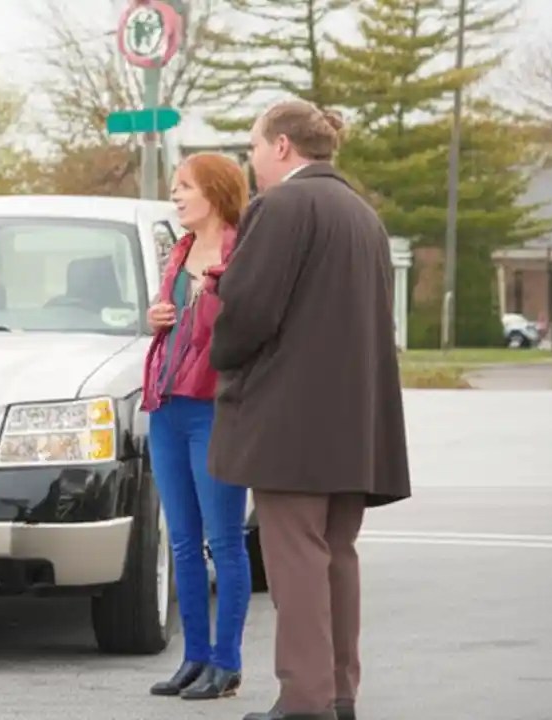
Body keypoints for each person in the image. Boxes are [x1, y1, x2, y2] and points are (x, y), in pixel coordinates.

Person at [207, 100, 412, 720]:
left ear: (282, 147)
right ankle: (338, 693)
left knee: (294, 559)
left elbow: (251, 313)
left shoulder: (283, 207)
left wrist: (220, 315)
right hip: (354, 421)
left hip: (291, 421)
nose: (250, 162)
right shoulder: (361, 214)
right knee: (335, 557)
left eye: (252, 149)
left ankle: (303, 701)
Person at [139, 152, 252, 702]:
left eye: (184, 187)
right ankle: (194, 658)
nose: (176, 196)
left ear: (215, 190)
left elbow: (242, 329)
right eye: (174, 188)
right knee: (182, 541)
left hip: (215, 409)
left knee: (223, 541)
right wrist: (156, 316)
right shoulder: (178, 251)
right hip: (166, 407)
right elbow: (172, 322)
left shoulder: (243, 251)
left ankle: (226, 664)